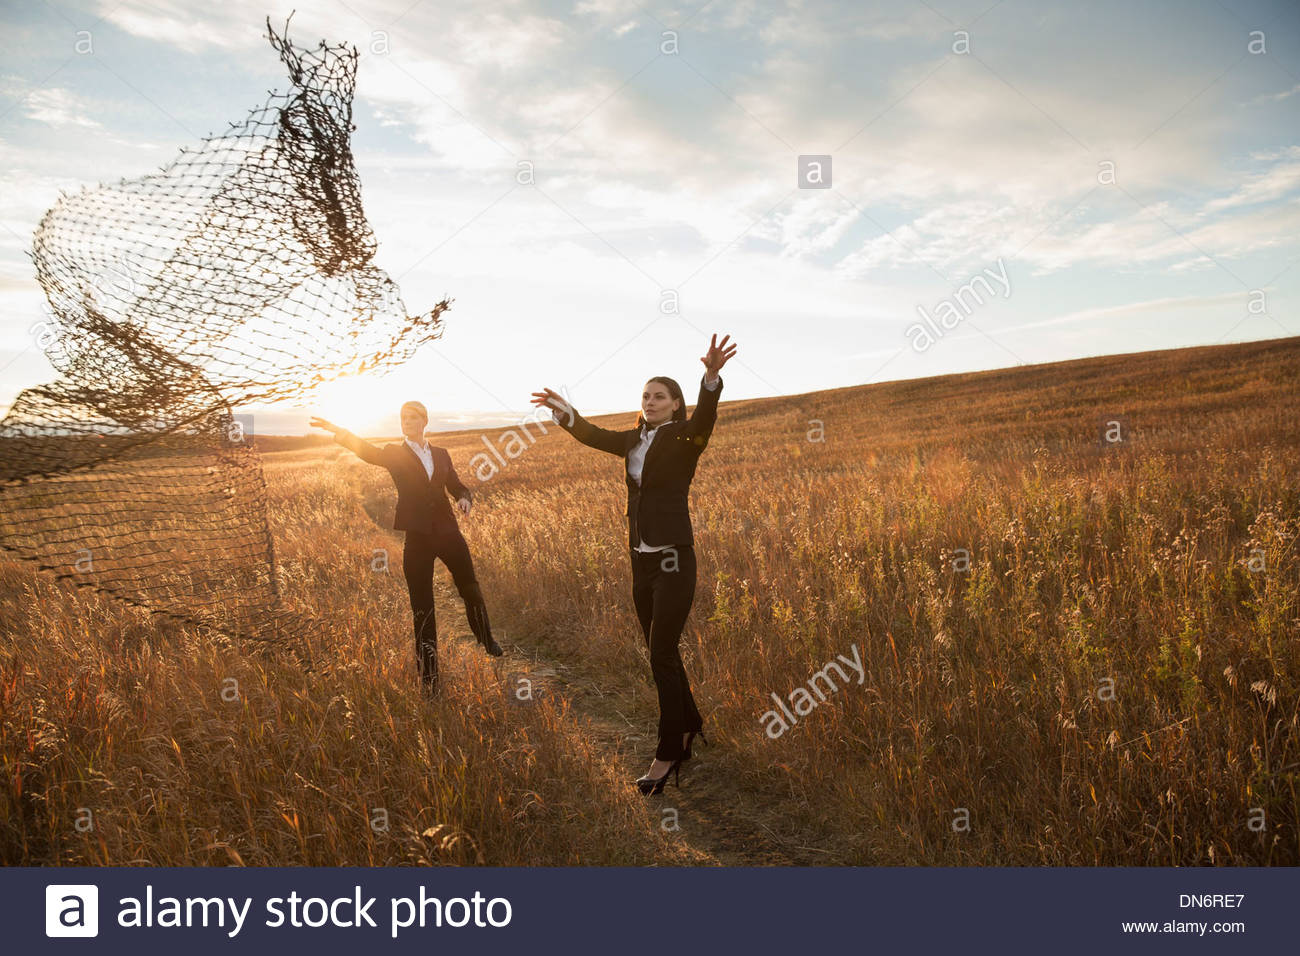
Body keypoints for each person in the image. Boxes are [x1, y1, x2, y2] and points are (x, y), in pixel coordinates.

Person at [531, 333, 737, 794]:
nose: (650, 401)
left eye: (659, 395)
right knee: (659, 650)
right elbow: (592, 435)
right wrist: (564, 412)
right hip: (640, 561)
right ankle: (689, 724)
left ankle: (667, 753)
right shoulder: (632, 440)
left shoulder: (688, 438)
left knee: (662, 652)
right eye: (645, 395)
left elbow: (707, 414)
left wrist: (710, 377)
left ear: (675, 402)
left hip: (673, 560)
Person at [310, 401, 503, 695]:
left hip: (449, 532)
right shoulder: (394, 453)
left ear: (424, 420)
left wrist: (464, 498)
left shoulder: (441, 454)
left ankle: (486, 638)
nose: (407, 422)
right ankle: (430, 680)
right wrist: (338, 431)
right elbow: (365, 450)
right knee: (422, 609)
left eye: (413, 417)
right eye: (403, 418)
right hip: (418, 538)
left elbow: (456, 485)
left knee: (470, 588)